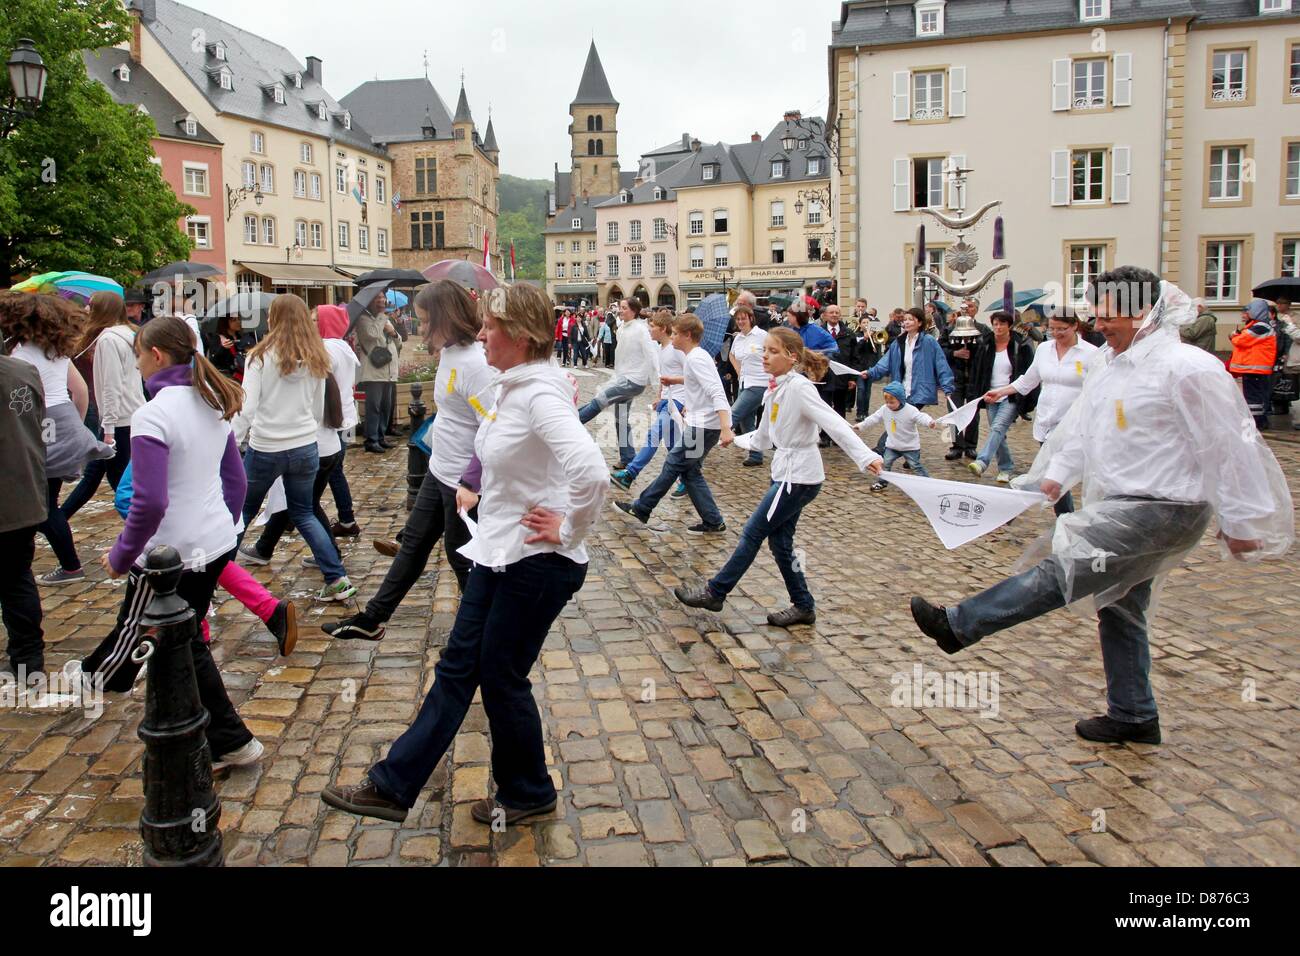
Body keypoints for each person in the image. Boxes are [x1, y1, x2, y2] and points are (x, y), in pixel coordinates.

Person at [910, 267, 1293, 744]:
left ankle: (959, 625)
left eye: (1109, 315)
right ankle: (1133, 714)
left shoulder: (1187, 367)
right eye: (1097, 314)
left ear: (1144, 311)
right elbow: (1083, 430)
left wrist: (1241, 519)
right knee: (1120, 607)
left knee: (1064, 570)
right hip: (1122, 502)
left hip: (1164, 509)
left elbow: (1229, 444)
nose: (1100, 325)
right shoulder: (1114, 365)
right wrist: (1053, 478)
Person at [320, 284, 607, 825]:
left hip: (538, 565)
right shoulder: (515, 386)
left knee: (500, 676)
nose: (480, 334)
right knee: (459, 666)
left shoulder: (539, 394)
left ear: (520, 336)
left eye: (490, 327)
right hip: (499, 553)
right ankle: (393, 785)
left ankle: (527, 792)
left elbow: (590, 470)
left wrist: (569, 529)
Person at [78, 316, 265, 769]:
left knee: (151, 629)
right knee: (183, 636)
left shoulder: (153, 415)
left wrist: (123, 555)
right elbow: (235, 482)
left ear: (155, 356)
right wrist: (224, 526)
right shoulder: (210, 401)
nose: (138, 365)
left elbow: (150, 502)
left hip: (170, 554)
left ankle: (95, 680)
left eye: (139, 356)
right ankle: (228, 739)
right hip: (213, 543)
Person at [675, 328, 882, 627]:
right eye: (765, 350)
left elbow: (833, 422)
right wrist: (734, 438)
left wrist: (866, 456)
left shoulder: (799, 387)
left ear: (791, 357)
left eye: (772, 351)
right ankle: (803, 606)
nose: (765, 356)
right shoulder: (775, 389)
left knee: (752, 532)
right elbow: (763, 437)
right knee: (781, 544)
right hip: (785, 473)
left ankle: (715, 591)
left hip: (798, 477)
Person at [324, 281, 493, 641]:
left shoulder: (477, 366)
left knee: (461, 558)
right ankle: (372, 619)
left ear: (446, 319)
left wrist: (470, 483)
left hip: (461, 482)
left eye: (425, 321)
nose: (419, 328)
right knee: (413, 545)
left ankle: (476, 635)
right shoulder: (450, 353)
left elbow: (490, 428)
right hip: (439, 472)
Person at [233, 294, 356, 602]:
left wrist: (232, 440)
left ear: (272, 319)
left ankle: (211, 574)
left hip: (266, 445)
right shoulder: (317, 358)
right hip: (304, 445)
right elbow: (317, 410)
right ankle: (336, 577)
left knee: (242, 512)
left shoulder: (260, 357)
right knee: (304, 513)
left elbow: (247, 408)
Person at [2, 293, 112, 585]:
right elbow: (80, 392)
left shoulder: (18, 354)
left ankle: (71, 566)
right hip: (63, 421)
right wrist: (74, 425)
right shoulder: (57, 351)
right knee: (48, 500)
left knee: (43, 507)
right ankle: (68, 563)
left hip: (37, 424)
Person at [614, 314, 733, 534]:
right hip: (702, 423)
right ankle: (713, 520)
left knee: (673, 462)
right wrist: (676, 382)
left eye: (676, 333)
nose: (673, 336)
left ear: (688, 335)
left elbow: (717, 390)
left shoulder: (696, 358)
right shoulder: (695, 357)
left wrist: (726, 427)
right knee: (690, 472)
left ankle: (642, 507)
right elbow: (696, 381)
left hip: (704, 426)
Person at [984, 312, 1098, 514]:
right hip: (1046, 420)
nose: (1056, 333)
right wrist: (1001, 391)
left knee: (1053, 474)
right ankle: (1065, 519)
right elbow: (1028, 380)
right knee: (1054, 476)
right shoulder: (1044, 349)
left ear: (1074, 326)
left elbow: (1099, 389)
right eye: (1052, 329)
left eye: (1061, 329)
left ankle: (1010, 513)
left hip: (1072, 424)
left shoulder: (1091, 353)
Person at [60, 291, 146, 519]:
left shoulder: (108, 339)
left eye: (91, 305)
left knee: (122, 489)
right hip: (126, 415)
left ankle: (143, 535)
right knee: (93, 476)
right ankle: (59, 518)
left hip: (118, 420)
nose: (87, 309)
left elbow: (111, 386)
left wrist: (108, 429)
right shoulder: (128, 334)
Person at [0, 349, 48, 688]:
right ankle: (27, 658)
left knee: (16, 578)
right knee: (17, 577)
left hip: (12, 493)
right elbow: (42, 425)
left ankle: (26, 657)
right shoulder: (25, 371)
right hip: (27, 488)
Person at [578, 298, 658, 468]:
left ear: (633, 311)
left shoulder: (641, 330)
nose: (620, 311)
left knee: (599, 401)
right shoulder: (622, 328)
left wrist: (658, 387)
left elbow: (652, 357)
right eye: (619, 308)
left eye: (623, 308)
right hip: (623, 378)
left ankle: (569, 423)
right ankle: (628, 458)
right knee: (620, 420)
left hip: (633, 380)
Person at [610, 312, 685, 490]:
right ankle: (687, 479)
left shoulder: (677, 350)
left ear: (663, 329)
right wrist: (659, 396)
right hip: (666, 401)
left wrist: (688, 404)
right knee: (672, 445)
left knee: (653, 434)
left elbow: (691, 376)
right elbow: (663, 377)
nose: (649, 329)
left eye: (652, 327)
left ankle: (630, 473)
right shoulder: (661, 349)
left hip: (678, 401)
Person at [967, 310, 1037, 483]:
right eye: (995, 324)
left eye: (1002, 324)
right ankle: (1006, 467)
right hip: (991, 394)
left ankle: (982, 461)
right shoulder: (986, 343)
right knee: (998, 433)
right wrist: (979, 394)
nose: (998, 327)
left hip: (1011, 396)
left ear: (1009, 325)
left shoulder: (1019, 345)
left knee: (998, 428)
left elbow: (1027, 373)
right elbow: (978, 371)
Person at [859, 381, 937, 490]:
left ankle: (927, 483)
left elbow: (921, 417)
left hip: (910, 446)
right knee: (885, 464)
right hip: (892, 445)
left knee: (915, 466)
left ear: (900, 400)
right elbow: (874, 418)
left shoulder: (910, 410)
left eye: (892, 402)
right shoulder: (885, 409)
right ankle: (882, 482)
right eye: (887, 402)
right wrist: (861, 425)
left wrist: (929, 422)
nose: (889, 405)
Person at [942, 298, 991, 461]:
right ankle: (956, 446)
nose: (967, 309)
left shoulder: (983, 329)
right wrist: (954, 353)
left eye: (970, 307)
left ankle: (970, 446)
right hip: (955, 377)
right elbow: (940, 349)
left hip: (974, 378)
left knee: (973, 414)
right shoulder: (950, 328)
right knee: (954, 412)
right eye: (964, 306)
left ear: (976, 309)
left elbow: (988, 351)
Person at [356, 292, 399, 453]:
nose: (381, 300)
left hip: (388, 371)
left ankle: (381, 437)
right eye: (377, 297)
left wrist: (393, 332)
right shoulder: (363, 319)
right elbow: (372, 335)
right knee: (373, 406)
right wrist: (382, 317)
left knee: (385, 406)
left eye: (382, 297)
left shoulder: (385, 319)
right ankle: (371, 439)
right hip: (373, 372)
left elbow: (399, 341)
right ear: (370, 301)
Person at [728, 303, 769, 467]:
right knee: (747, 421)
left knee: (733, 414)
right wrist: (738, 369)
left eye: (743, 318)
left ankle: (707, 439)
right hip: (744, 382)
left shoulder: (762, 335)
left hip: (759, 383)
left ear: (750, 318)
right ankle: (755, 455)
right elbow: (732, 355)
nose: (740, 321)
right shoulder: (738, 338)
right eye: (738, 319)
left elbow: (774, 352)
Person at [1229, 299, 1277, 430]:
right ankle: (1259, 421)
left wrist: (1233, 336)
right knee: (1255, 396)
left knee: (1253, 397)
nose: (1245, 314)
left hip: (1255, 368)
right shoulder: (1257, 325)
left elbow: (1242, 340)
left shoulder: (1261, 326)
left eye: (1247, 311)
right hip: (1254, 367)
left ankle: (1257, 422)